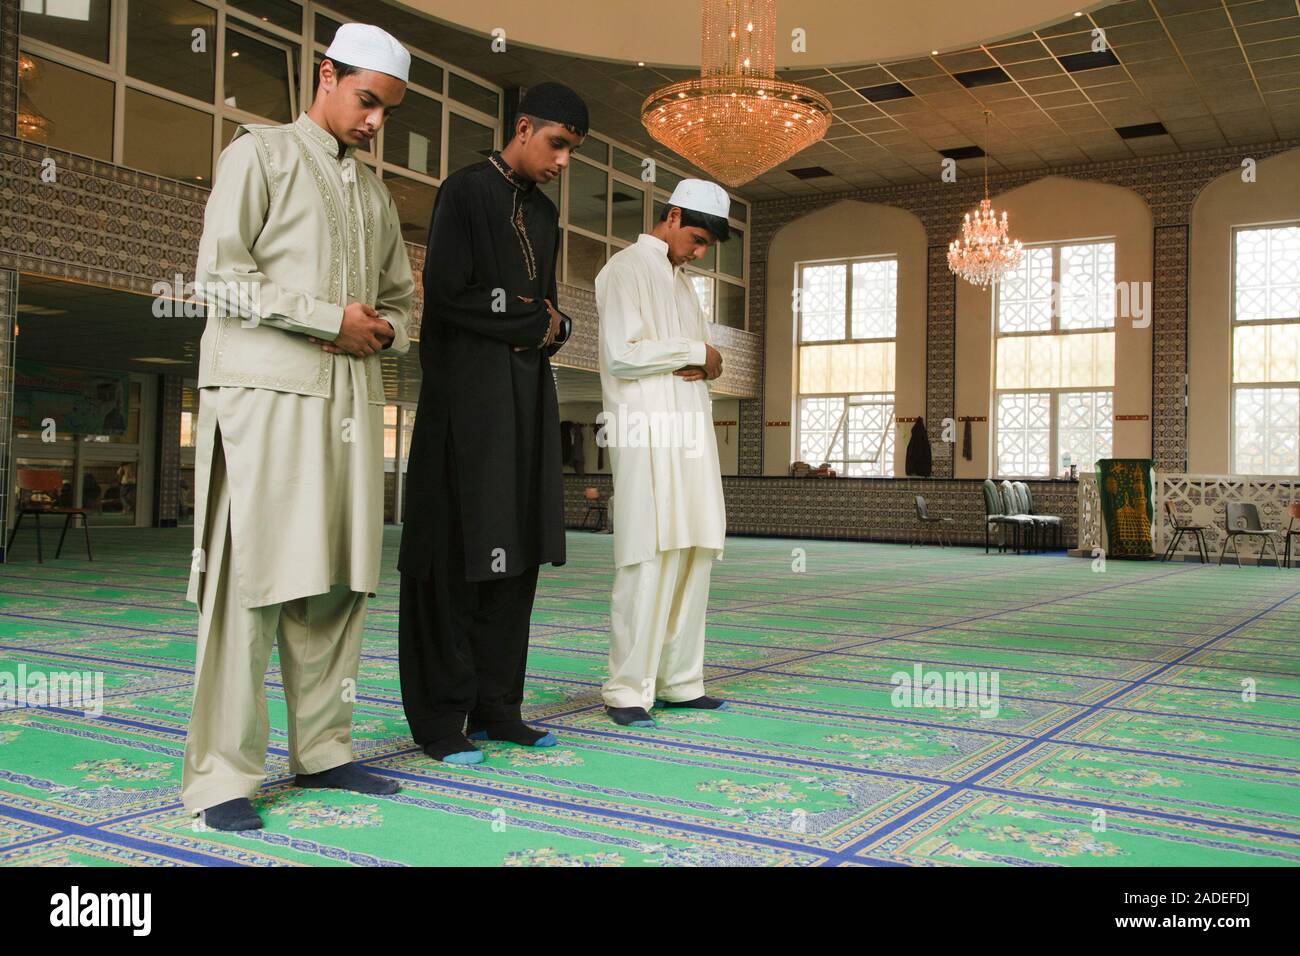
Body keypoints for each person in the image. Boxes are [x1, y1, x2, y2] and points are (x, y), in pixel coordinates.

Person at [181, 23, 415, 831]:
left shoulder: (375, 194)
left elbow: (399, 304)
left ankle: (322, 750)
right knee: (252, 586)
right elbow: (219, 277)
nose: (376, 121)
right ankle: (221, 776)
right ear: (326, 76)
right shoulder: (261, 154)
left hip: (350, 400)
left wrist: (382, 330)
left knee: (337, 580)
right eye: (366, 100)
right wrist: (327, 321)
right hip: (267, 396)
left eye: (387, 109)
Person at [397, 83, 586, 764]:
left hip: (526, 398)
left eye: (573, 150)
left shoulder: (543, 214)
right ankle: (442, 719)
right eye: (558, 144)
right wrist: (535, 322)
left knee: (516, 552)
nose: (564, 160)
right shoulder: (465, 191)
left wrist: (549, 326)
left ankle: (498, 705)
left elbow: (553, 310)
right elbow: (448, 295)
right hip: (466, 403)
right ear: (525, 128)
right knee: (454, 559)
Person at [594, 180, 730, 727]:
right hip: (644, 433)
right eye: (695, 240)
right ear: (671, 216)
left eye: (704, 247)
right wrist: (700, 351)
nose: (697, 253)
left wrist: (709, 361)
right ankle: (627, 690)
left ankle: (680, 681)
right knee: (647, 555)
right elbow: (622, 355)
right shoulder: (623, 269)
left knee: (694, 549)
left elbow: (701, 366)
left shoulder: (682, 285)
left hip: (691, 434)